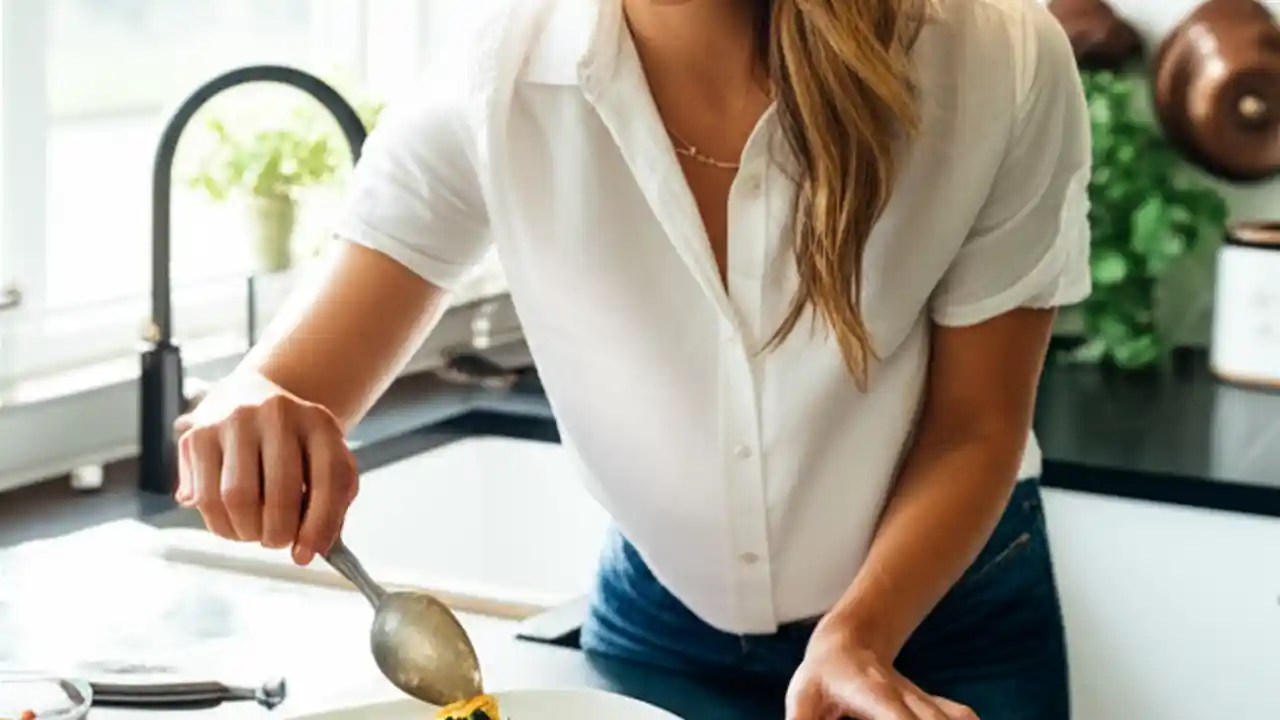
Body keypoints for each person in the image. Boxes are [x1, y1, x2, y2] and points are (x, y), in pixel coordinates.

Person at [174, 0, 1092, 718]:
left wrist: (858, 635)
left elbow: (977, 423)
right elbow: (286, 387)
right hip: (662, 633)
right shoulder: (492, 76)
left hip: (942, 619)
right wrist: (244, 417)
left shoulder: (993, 54)